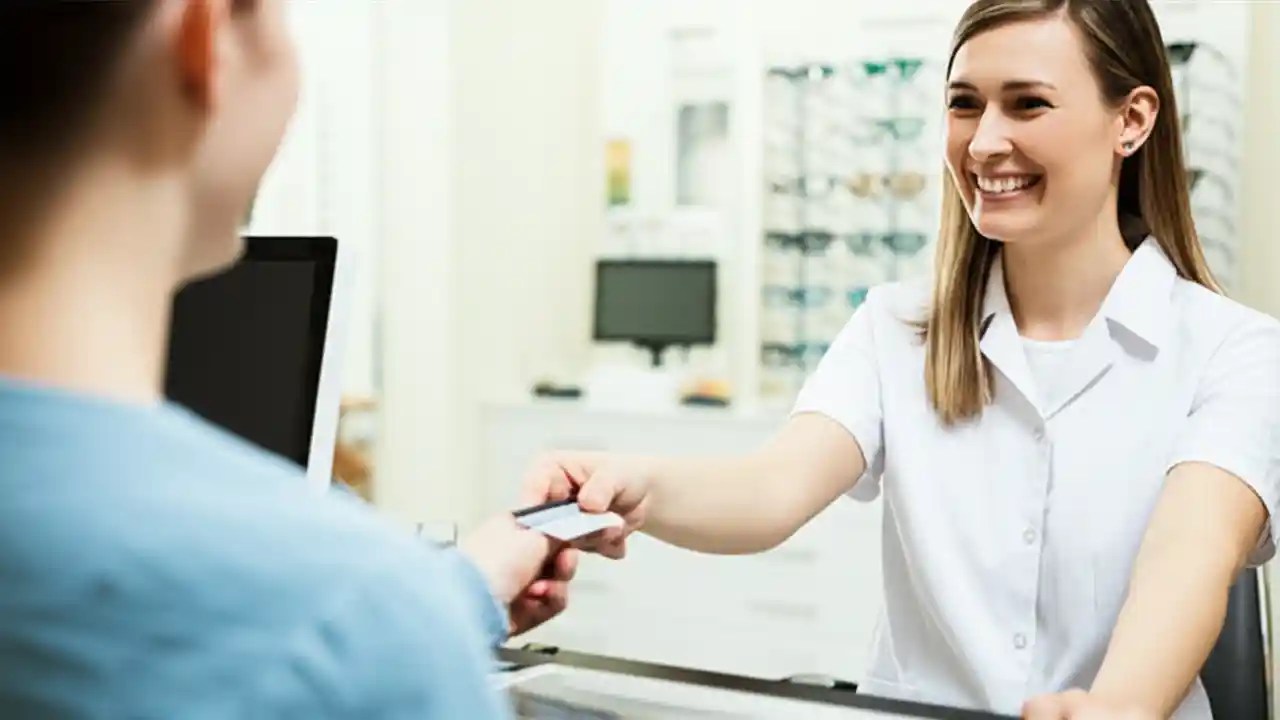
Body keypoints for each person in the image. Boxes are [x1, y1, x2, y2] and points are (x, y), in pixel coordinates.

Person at [523, 1, 1280, 719]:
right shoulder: (895, 329)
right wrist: (635, 484)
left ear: (1132, 120)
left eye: (1028, 104)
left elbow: (1193, 548)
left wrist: (1118, 707)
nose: (984, 142)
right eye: (964, 103)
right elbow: (771, 490)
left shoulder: (1235, 352)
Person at [0, 1, 574, 717]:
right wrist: (401, 612)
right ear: (206, 42)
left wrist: (448, 591)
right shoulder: (345, 611)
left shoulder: (353, 607)